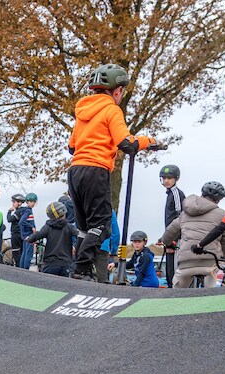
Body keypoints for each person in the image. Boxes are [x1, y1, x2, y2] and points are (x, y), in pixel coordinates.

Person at [67, 63, 160, 281]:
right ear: (117, 90)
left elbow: (72, 146)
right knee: (102, 226)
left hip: (75, 171)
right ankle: (81, 269)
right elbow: (127, 143)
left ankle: (80, 271)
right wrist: (150, 142)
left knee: (84, 228)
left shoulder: (83, 112)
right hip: (96, 170)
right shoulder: (112, 109)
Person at [161, 181, 225, 288]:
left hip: (186, 263)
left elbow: (169, 233)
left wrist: (168, 243)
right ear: (218, 199)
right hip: (209, 263)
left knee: (178, 292)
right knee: (211, 292)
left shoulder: (185, 213)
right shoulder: (223, 215)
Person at [24, 198, 78, 276]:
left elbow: (38, 235)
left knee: (47, 282)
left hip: (50, 263)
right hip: (66, 263)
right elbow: (78, 236)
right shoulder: (69, 227)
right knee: (64, 282)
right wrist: (75, 246)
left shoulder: (48, 227)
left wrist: (29, 239)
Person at [158, 164, 184, 287]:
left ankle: (175, 291)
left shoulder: (176, 193)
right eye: (164, 178)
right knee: (169, 271)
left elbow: (179, 216)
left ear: (176, 179)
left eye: (169, 178)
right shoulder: (169, 194)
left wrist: (173, 237)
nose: (166, 181)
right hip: (170, 237)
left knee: (174, 271)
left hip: (176, 238)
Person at [18, 193, 38, 268]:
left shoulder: (25, 210)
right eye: (31, 201)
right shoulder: (28, 211)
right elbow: (21, 221)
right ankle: (25, 269)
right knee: (28, 254)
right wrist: (32, 227)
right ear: (27, 202)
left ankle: (21, 269)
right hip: (28, 235)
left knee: (24, 253)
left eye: (34, 202)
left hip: (25, 235)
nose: (33, 203)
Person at [7, 193, 26, 262]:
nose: (13, 204)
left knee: (16, 252)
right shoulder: (24, 211)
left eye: (14, 202)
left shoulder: (18, 212)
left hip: (16, 234)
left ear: (20, 203)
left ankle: (18, 266)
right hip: (22, 234)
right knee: (22, 252)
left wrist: (9, 212)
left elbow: (9, 219)